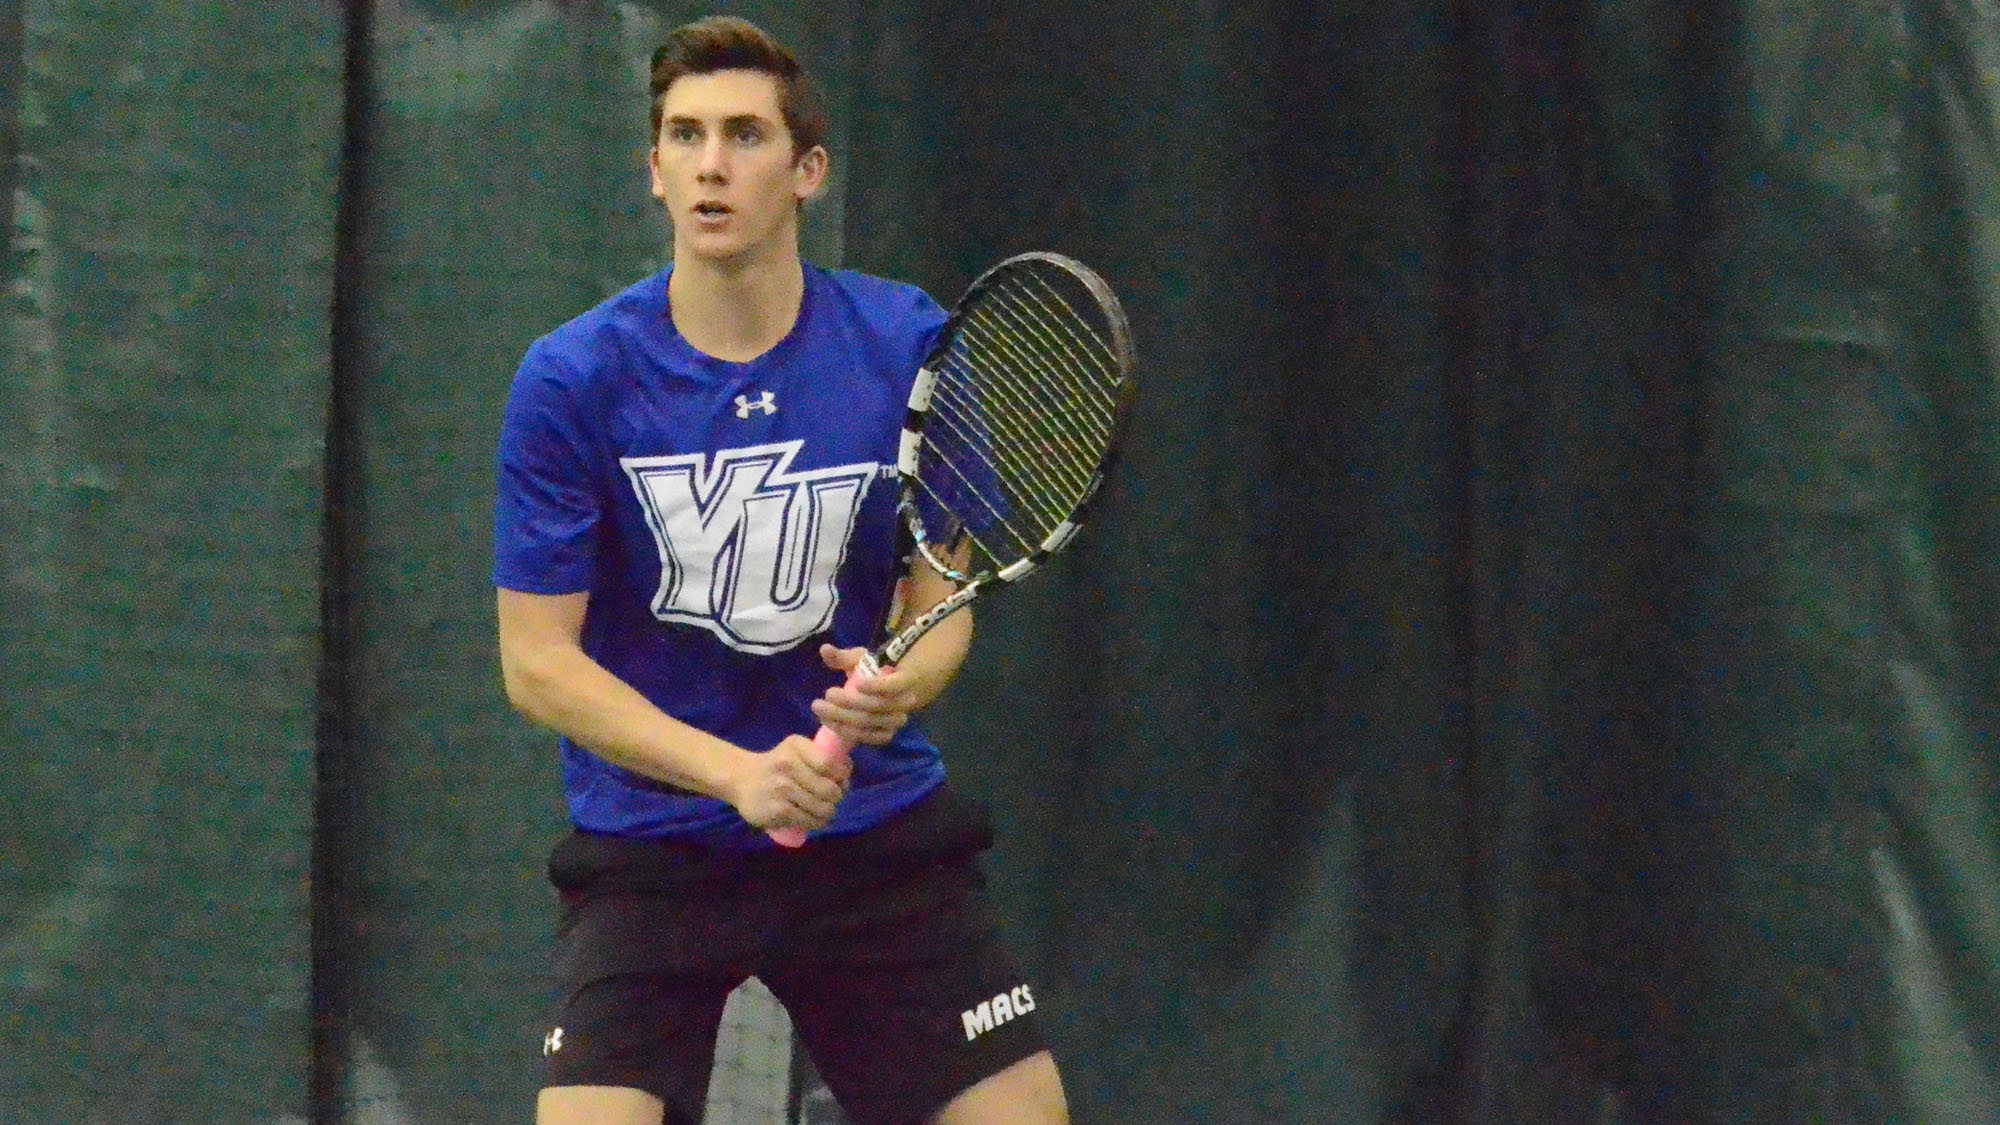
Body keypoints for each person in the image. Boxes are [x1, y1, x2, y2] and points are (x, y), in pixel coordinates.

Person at [492, 15, 1068, 1125]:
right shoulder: (571, 380)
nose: (712, 165)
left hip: (871, 837)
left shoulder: (908, 345)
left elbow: (937, 598)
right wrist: (733, 776)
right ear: (653, 169)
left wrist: (908, 680)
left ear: (807, 171)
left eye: (745, 136)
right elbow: (536, 667)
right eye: (685, 136)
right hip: (653, 843)